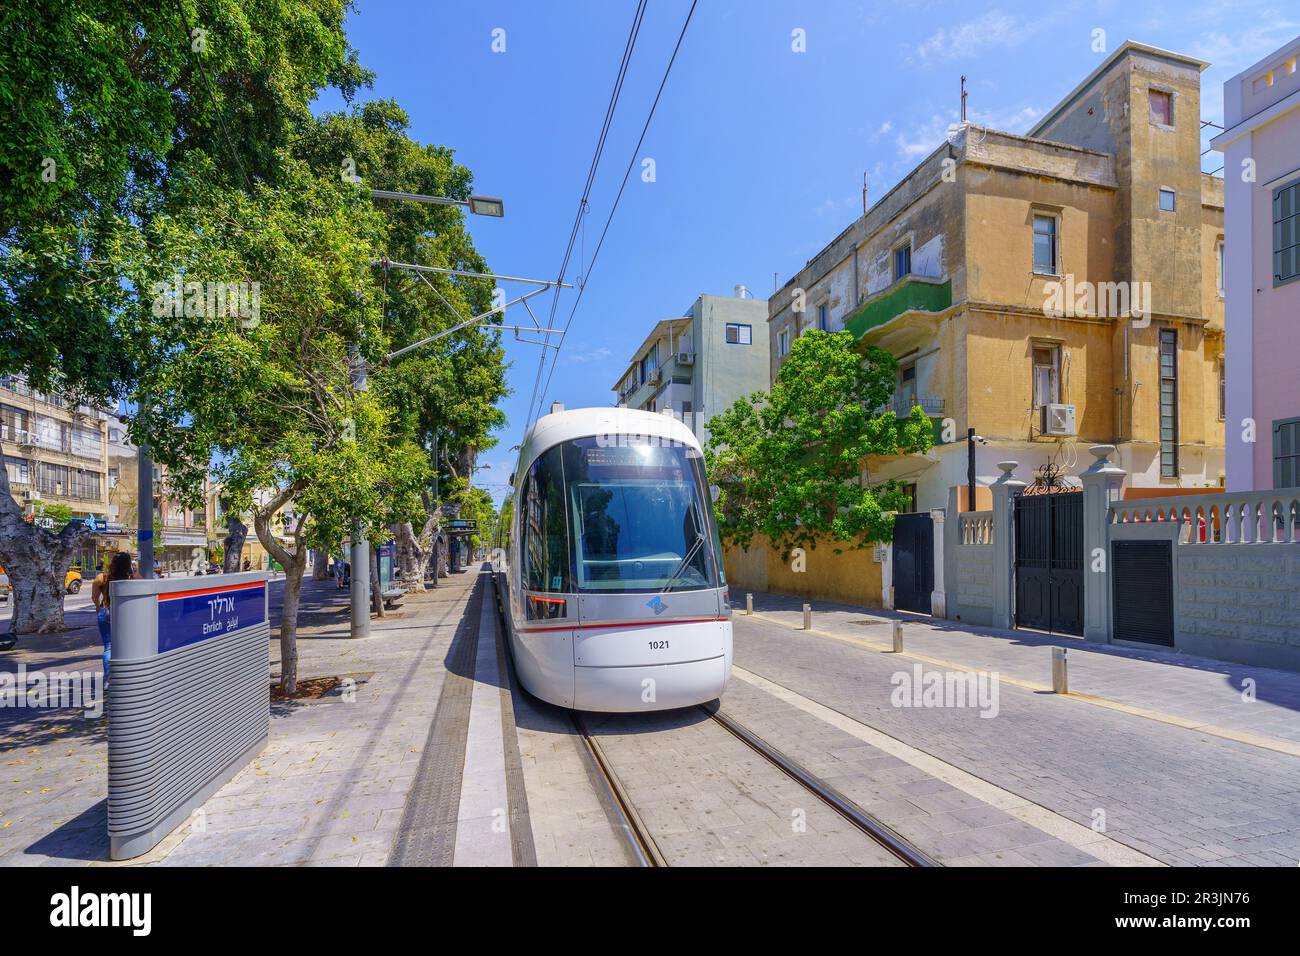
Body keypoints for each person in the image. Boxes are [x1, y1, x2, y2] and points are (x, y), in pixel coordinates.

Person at [92, 552, 135, 686]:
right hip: (125, 613)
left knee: (108, 647)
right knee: (128, 646)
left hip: (106, 611)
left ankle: (108, 680)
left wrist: (98, 608)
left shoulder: (102, 578)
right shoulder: (131, 578)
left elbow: (94, 597)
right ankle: (125, 677)